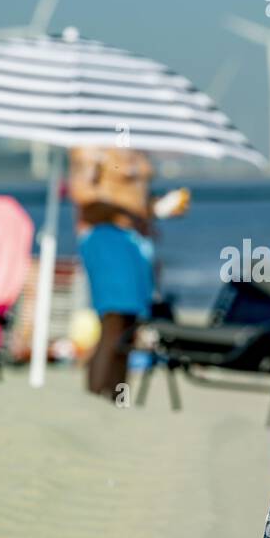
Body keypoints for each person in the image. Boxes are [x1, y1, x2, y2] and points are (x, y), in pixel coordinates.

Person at [70, 147, 188, 401]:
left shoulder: (137, 140)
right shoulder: (92, 147)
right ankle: (95, 397)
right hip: (106, 238)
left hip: (135, 241)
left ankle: (115, 398)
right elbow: (82, 194)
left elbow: (135, 198)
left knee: (130, 326)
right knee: (113, 320)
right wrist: (139, 208)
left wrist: (159, 207)